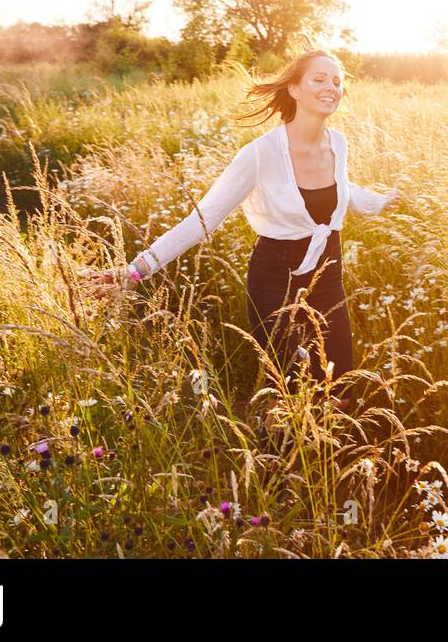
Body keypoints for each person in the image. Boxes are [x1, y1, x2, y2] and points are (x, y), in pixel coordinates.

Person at [83, 50, 397, 413]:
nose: (331, 87)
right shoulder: (259, 154)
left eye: (338, 81)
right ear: (294, 89)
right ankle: (278, 459)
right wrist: (136, 270)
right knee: (297, 389)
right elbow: (201, 220)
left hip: (328, 273)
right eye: (319, 79)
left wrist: (377, 202)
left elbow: (342, 187)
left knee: (339, 386)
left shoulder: (337, 143)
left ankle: (330, 461)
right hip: (275, 279)